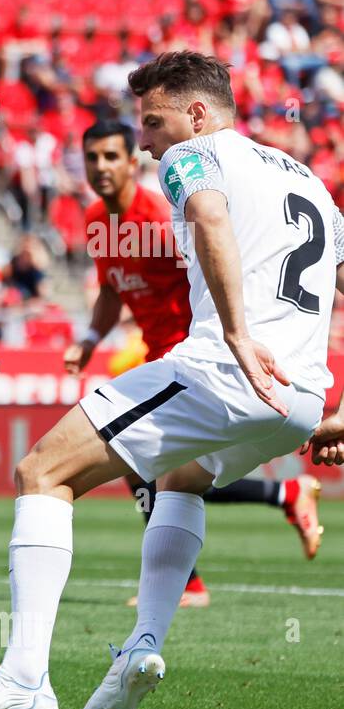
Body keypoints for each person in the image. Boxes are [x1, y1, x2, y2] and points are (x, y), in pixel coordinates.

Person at [0, 51, 341, 709]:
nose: (147, 142)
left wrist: (236, 334)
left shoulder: (193, 157)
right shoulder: (312, 184)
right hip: (297, 402)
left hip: (226, 369)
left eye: (153, 122)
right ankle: (140, 649)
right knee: (181, 479)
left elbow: (207, 220)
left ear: (198, 114)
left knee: (43, 472)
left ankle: (25, 678)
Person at [68, 119, 323, 610]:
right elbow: (109, 285)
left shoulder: (161, 216)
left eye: (111, 156)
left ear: (131, 160)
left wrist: (230, 334)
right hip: (157, 354)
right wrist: (89, 338)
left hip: (194, 353)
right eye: (92, 157)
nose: (100, 167)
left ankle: (191, 579)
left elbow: (214, 266)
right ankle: (280, 500)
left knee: (142, 463)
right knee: (159, 470)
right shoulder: (97, 220)